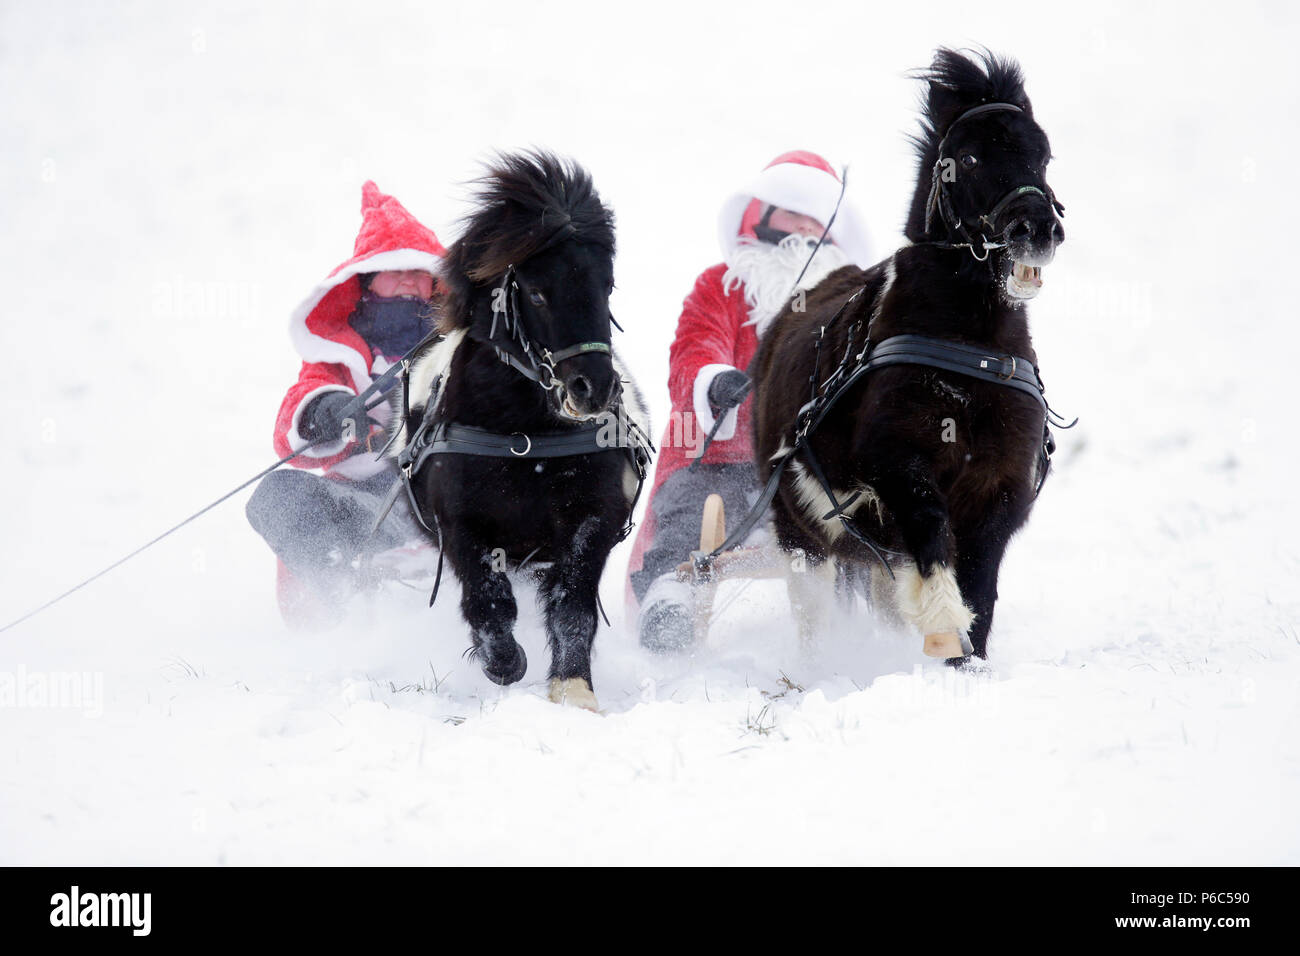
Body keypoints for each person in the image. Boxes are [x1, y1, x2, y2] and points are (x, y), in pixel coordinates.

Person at [627, 151, 876, 650]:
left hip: (819, 466)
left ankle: (860, 617)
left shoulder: (854, 301)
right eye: (790, 211)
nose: (803, 227)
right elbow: (694, 348)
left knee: (861, 511)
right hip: (721, 460)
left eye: (815, 217)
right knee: (692, 508)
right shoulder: (721, 286)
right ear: (758, 215)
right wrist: (714, 380)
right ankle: (670, 595)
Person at [246, 181, 448, 627]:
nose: (409, 279)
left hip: (446, 497)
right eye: (395, 269)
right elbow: (296, 411)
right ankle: (346, 600)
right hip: (361, 501)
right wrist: (326, 410)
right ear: (366, 278)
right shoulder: (340, 352)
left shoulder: (462, 346)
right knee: (275, 496)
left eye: (419, 271)